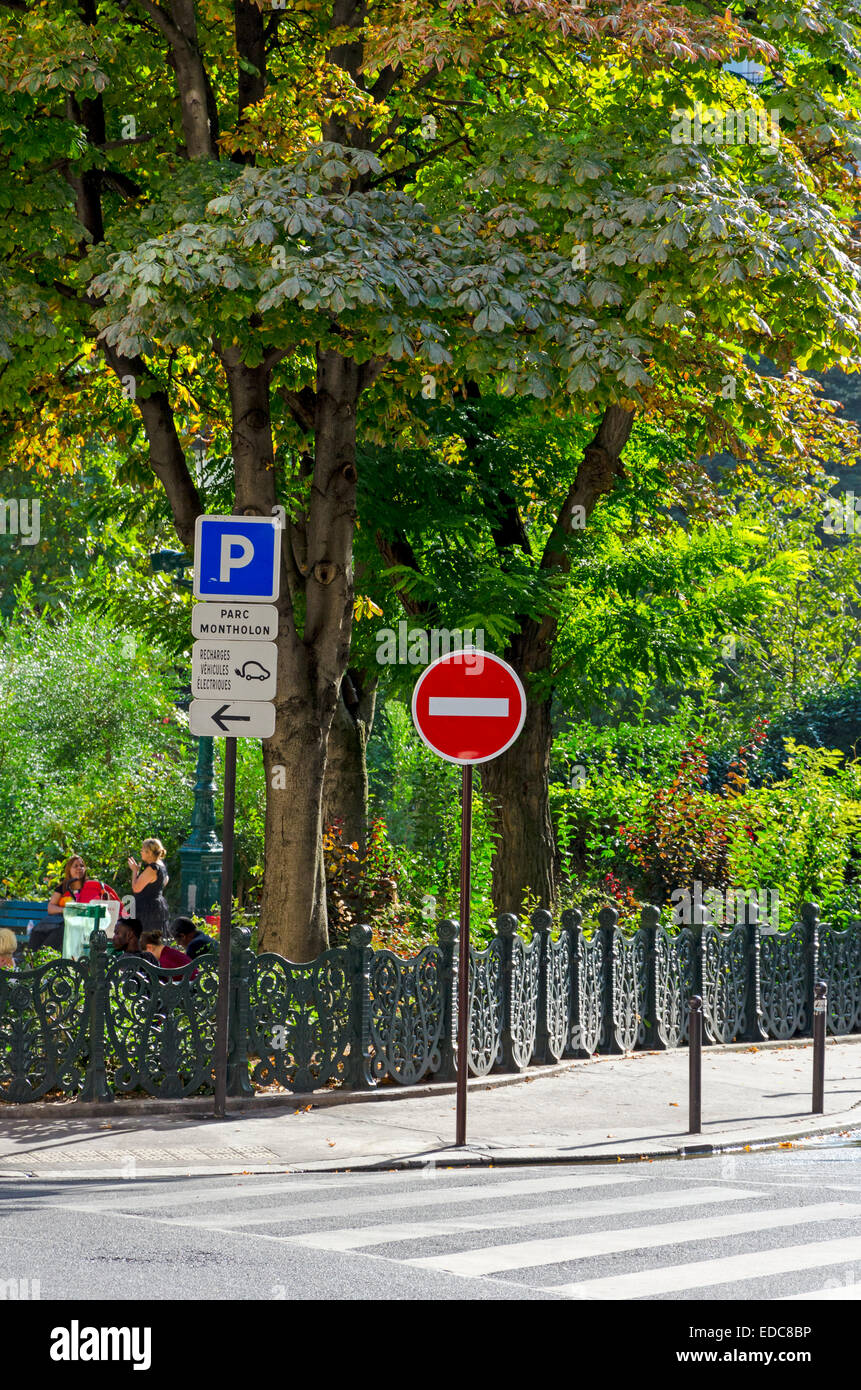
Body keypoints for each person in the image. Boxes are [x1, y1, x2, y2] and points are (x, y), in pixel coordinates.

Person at [28, 854, 88, 951]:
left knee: (63, 930)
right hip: (60, 921)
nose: (79, 868)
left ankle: (44, 957)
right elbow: (50, 908)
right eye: (75, 866)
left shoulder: (90, 886)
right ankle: (32, 960)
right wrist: (66, 910)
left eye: (81, 866)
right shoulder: (63, 887)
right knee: (38, 931)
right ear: (69, 869)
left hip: (79, 925)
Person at [128, 839, 170, 934]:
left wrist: (135, 871)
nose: (141, 852)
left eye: (143, 850)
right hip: (157, 906)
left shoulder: (152, 868)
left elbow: (136, 888)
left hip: (147, 909)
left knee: (144, 939)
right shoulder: (161, 865)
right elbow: (166, 880)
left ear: (149, 853)